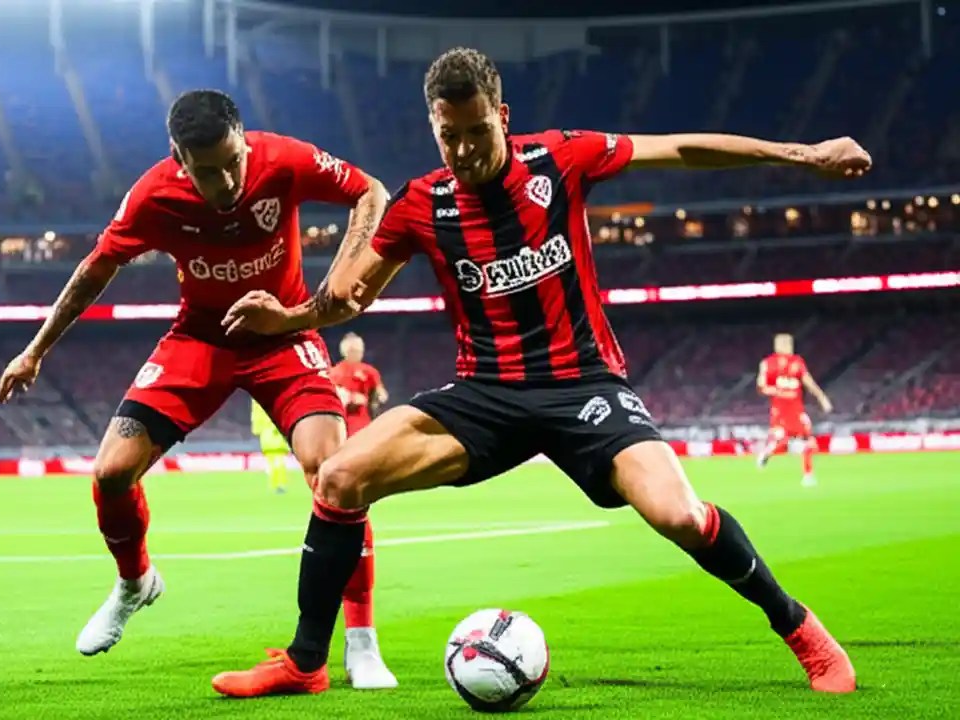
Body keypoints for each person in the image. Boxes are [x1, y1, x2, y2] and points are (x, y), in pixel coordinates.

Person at [212, 47, 869, 698]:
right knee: (340, 477)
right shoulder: (421, 204)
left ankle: (801, 628)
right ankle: (305, 663)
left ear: (502, 116)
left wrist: (803, 154)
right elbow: (351, 296)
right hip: (487, 393)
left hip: (584, 383)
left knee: (680, 515)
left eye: (477, 132)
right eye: (449, 137)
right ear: (433, 128)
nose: (465, 151)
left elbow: (680, 148)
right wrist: (289, 318)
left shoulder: (559, 158)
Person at [0, 89, 397, 689]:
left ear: (244, 139)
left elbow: (371, 189)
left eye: (233, 161)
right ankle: (135, 583)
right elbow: (94, 270)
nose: (227, 181)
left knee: (336, 470)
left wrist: (338, 280)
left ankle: (361, 642)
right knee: (110, 473)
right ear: (179, 159)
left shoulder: (283, 159)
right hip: (199, 342)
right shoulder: (154, 195)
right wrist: (35, 350)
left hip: (281, 335)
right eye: (206, 171)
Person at [756, 333, 832, 486]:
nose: (787, 346)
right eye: (784, 344)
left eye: (788, 343)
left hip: (797, 410)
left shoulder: (797, 362)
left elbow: (808, 382)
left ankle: (808, 475)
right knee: (784, 442)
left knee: (809, 442)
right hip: (780, 412)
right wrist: (777, 391)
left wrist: (822, 398)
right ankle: (768, 453)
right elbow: (761, 386)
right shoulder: (768, 363)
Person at [329, 332, 389, 436]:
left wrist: (377, 398)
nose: (356, 353)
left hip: (363, 422)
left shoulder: (369, 371)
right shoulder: (335, 372)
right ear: (345, 351)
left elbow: (382, 394)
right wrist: (350, 397)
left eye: (358, 350)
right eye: (352, 350)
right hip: (341, 421)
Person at [251, 397, 291, 493]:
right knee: (277, 463)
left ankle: (277, 485)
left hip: (268, 440)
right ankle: (279, 484)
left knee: (274, 464)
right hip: (275, 440)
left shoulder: (259, 406)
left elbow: (256, 423)